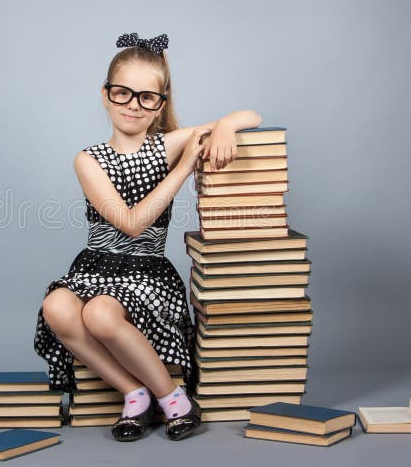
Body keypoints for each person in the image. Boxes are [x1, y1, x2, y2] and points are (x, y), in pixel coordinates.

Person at [33, 31, 262, 441]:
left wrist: (226, 126)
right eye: (122, 93)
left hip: (147, 272)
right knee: (57, 307)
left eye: (147, 97)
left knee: (100, 314)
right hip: (95, 267)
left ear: (160, 105)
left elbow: (252, 116)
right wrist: (184, 168)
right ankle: (133, 392)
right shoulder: (88, 160)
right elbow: (131, 223)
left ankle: (174, 398)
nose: (133, 105)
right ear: (105, 95)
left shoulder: (166, 145)